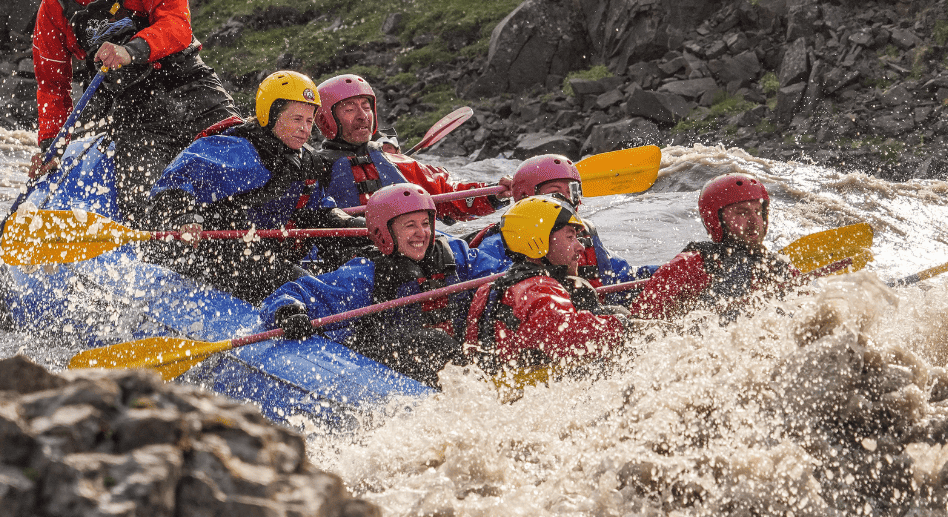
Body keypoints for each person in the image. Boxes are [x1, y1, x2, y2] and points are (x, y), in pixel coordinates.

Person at [30, 0, 236, 218]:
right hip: (133, 111)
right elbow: (52, 87)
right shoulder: (56, 4)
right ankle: (171, 242)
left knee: (243, 162)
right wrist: (51, 145)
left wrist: (131, 50)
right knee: (144, 202)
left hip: (190, 85)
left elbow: (177, 25)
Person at [258, 184, 510, 386]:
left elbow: (499, 273)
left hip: (449, 353)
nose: (421, 233)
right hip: (385, 353)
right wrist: (288, 311)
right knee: (436, 343)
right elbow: (295, 292)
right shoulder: (365, 274)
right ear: (384, 232)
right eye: (410, 226)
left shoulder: (456, 254)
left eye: (425, 224)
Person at [146, 71, 361, 303]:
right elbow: (174, 183)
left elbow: (315, 211)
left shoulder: (304, 160)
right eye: (296, 119)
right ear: (269, 115)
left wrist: (349, 224)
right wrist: (184, 216)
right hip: (211, 250)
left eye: (309, 121)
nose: (305, 129)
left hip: (259, 251)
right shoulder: (236, 150)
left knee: (342, 268)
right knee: (302, 284)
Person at [459, 195, 635, 373]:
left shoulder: (490, 287)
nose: (580, 247)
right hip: (530, 387)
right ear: (539, 240)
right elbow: (564, 336)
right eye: (570, 237)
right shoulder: (538, 288)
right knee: (618, 316)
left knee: (600, 309)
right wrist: (624, 327)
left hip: (505, 381)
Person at [314, 74, 511, 221]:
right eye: (349, 109)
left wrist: (494, 193)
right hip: (349, 258)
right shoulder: (314, 169)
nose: (363, 116)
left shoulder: (394, 162)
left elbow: (448, 194)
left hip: (409, 250)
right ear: (326, 119)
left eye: (366, 107)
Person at [468, 154, 655, 293]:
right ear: (526, 198)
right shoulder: (500, 243)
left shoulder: (584, 235)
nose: (566, 202)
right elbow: (500, 294)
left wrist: (673, 269)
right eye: (555, 194)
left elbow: (620, 278)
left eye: (572, 192)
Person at [628, 174, 798, 323]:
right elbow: (642, 321)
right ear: (716, 221)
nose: (755, 222)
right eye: (742, 213)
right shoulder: (689, 265)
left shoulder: (779, 267)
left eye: (758, 211)